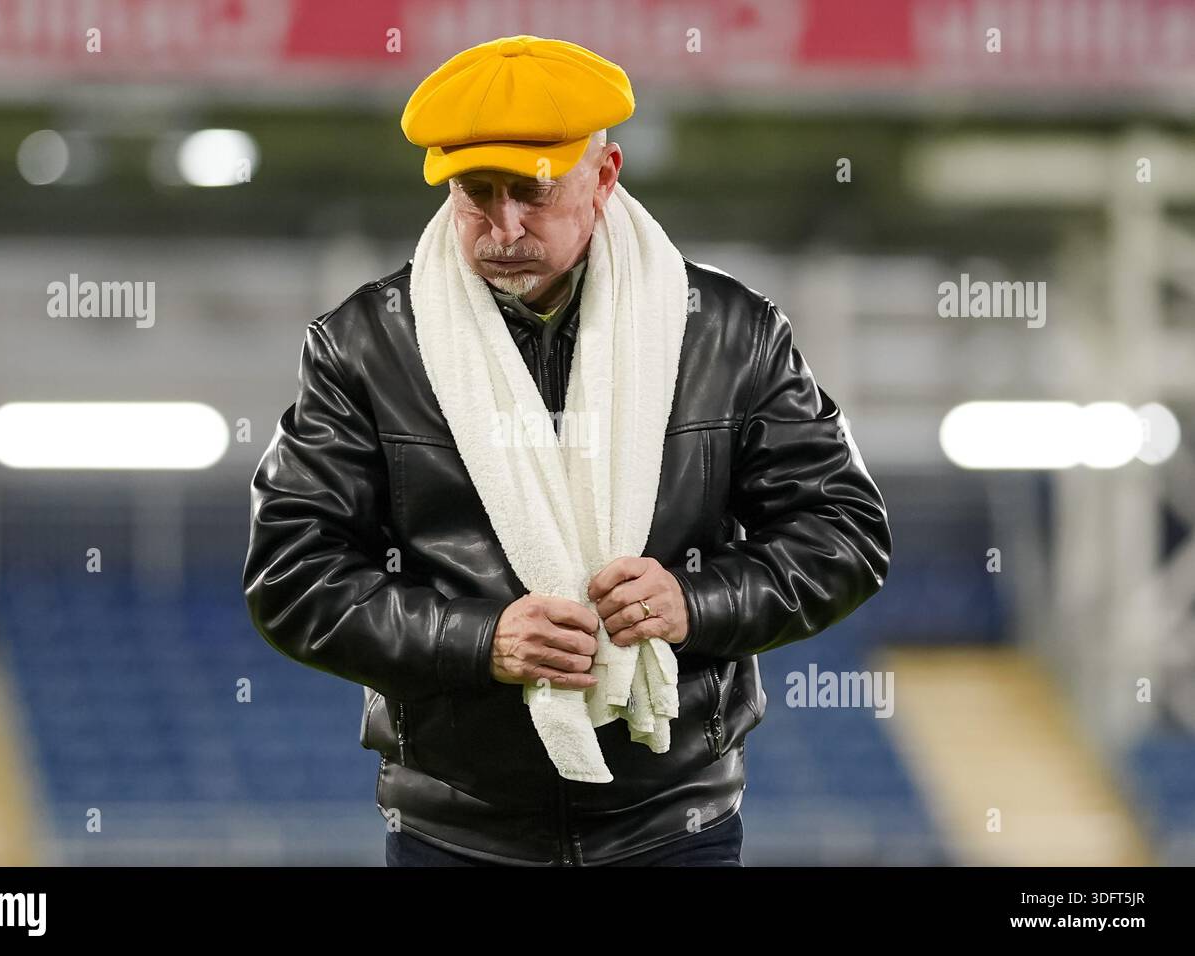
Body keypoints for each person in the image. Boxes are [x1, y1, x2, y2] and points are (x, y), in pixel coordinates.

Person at [242, 34, 891, 867]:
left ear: (605, 174)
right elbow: (291, 576)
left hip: (675, 822)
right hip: (454, 825)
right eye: (476, 195)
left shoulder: (731, 332)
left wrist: (699, 603)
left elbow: (844, 533)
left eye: (532, 192)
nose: (503, 227)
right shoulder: (364, 346)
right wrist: (478, 641)